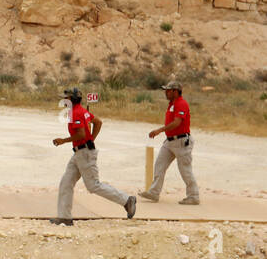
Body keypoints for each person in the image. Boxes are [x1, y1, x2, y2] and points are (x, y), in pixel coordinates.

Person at [50, 88, 137, 225]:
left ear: (71, 100)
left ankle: (127, 200)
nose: (63, 101)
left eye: (65, 98)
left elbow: (81, 134)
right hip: (80, 152)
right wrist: (91, 140)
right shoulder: (81, 111)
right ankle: (65, 217)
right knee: (66, 182)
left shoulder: (76, 113)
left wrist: (63, 140)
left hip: (84, 153)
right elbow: (98, 122)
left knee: (93, 186)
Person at [140, 80, 199, 205]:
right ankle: (154, 193)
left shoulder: (181, 104)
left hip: (181, 141)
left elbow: (177, 122)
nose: (165, 93)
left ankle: (193, 196)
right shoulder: (172, 104)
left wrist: (159, 130)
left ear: (175, 91)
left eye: (168, 90)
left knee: (185, 170)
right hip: (170, 142)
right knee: (159, 165)